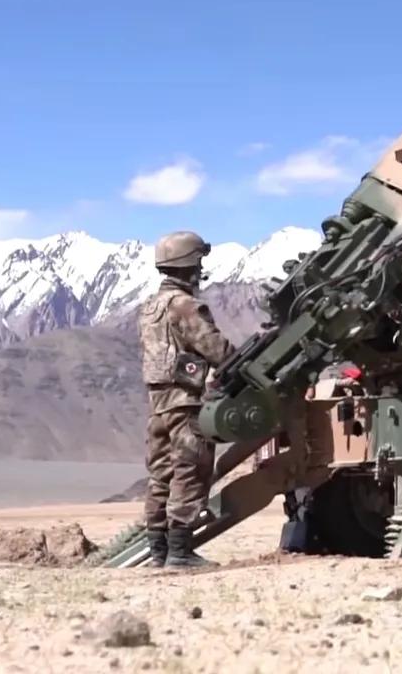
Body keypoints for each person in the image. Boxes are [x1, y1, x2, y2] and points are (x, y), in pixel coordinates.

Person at [137, 230, 237, 569]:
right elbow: (216, 349)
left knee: (160, 474)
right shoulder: (186, 306)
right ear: (190, 265)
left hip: (157, 403)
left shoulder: (150, 307)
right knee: (190, 471)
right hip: (184, 402)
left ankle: (158, 553)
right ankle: (180, 552)